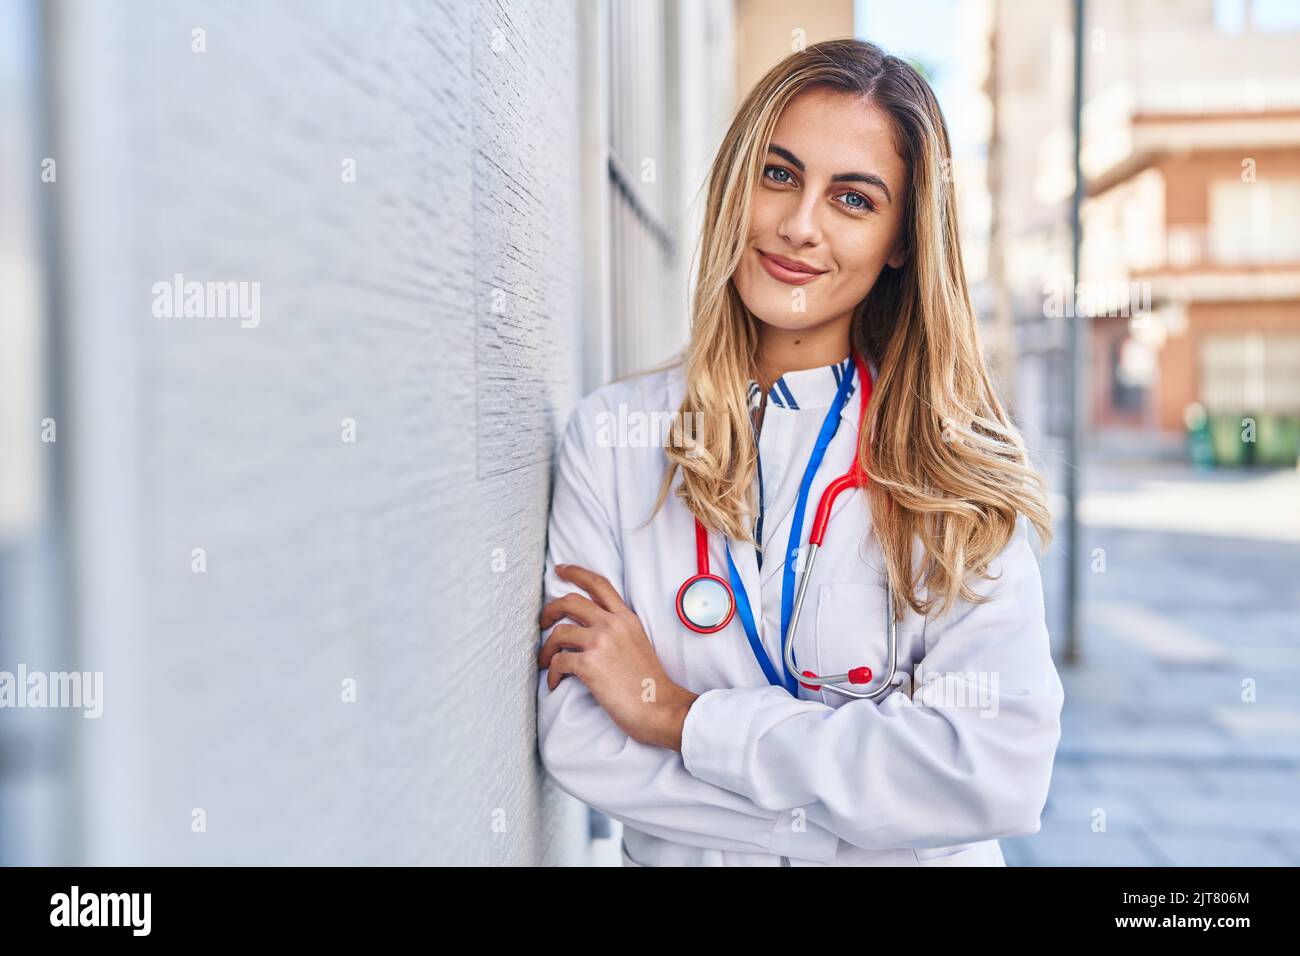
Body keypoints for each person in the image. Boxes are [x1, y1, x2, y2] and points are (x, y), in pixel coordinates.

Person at [535, 37, 1064, 867]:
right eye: (778, 175)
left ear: (900, 240)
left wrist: (677, 717)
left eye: (853, 199)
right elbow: (582, 745)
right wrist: (875, 820)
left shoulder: (958, 468)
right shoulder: (612, 437)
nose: (799, 225)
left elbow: (994, 774)